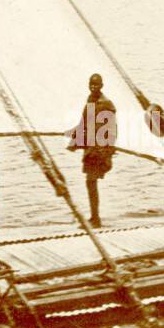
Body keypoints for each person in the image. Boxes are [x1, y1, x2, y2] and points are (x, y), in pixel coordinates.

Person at [67, 73, 117, 228]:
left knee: (90, 181)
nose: (93, 87)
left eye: (96, 85)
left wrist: (107, 152)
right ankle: (95, 217)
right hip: (91, 150)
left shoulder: (106, 104)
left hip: (99, 151)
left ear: (101, 86)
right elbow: (84, 124)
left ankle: (96, 219)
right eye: (91, 85)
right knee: (90, 183)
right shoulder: (90, 101)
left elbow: (112, 131)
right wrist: (74, 141)